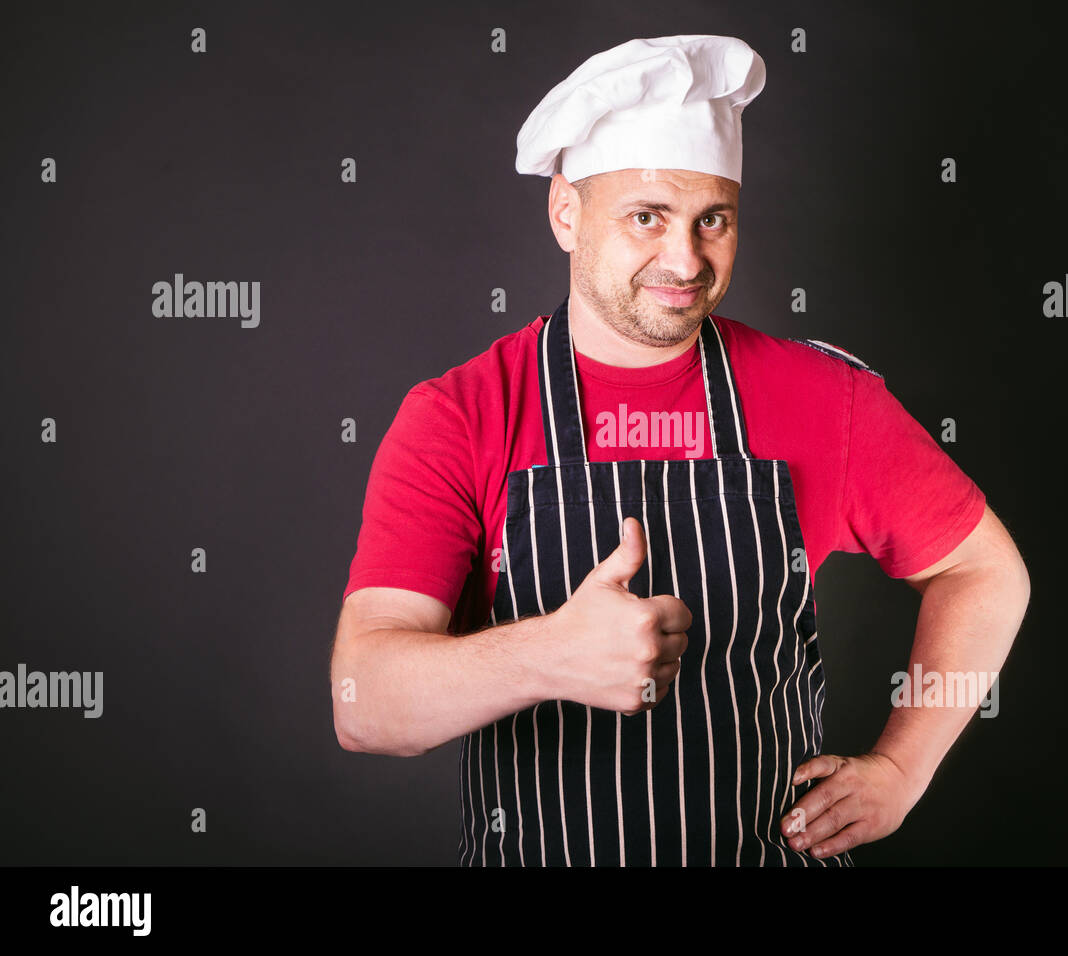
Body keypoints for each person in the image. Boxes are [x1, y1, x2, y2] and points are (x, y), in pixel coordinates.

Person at [330, 34, 1030, 867]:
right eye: (646, 217)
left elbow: (985, 571)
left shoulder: (826, 400)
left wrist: (903, 769)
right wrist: (549, 655)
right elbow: (363, 701)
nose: (685, 258)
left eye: (713, 221)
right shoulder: (462, 414)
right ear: (565, 213)